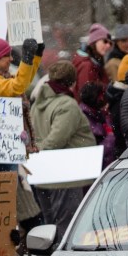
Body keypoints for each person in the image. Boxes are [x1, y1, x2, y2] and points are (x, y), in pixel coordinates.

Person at [31, 60, 97, 226]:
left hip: (42, 172)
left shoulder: (37, 104)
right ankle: (62, 253)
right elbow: (56, 140)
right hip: (66, 174)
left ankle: (52, 252)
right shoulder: (67, 104)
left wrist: (36, 155)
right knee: (67, 225)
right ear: (73, 82)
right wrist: (41, 151)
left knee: (50, 225)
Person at [79, 82, 117, 163]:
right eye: (102, 96)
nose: (104, 99)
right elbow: (99, 150)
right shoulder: (85, 118)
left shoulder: (96, 114)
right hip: (97, 166)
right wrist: (110, 136)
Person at [73, 23, 112, 95]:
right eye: (105, 41)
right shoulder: (86, 66)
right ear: (94, 42)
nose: (108, 45)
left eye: (110, 43)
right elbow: (86, 97)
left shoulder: (97, 62)